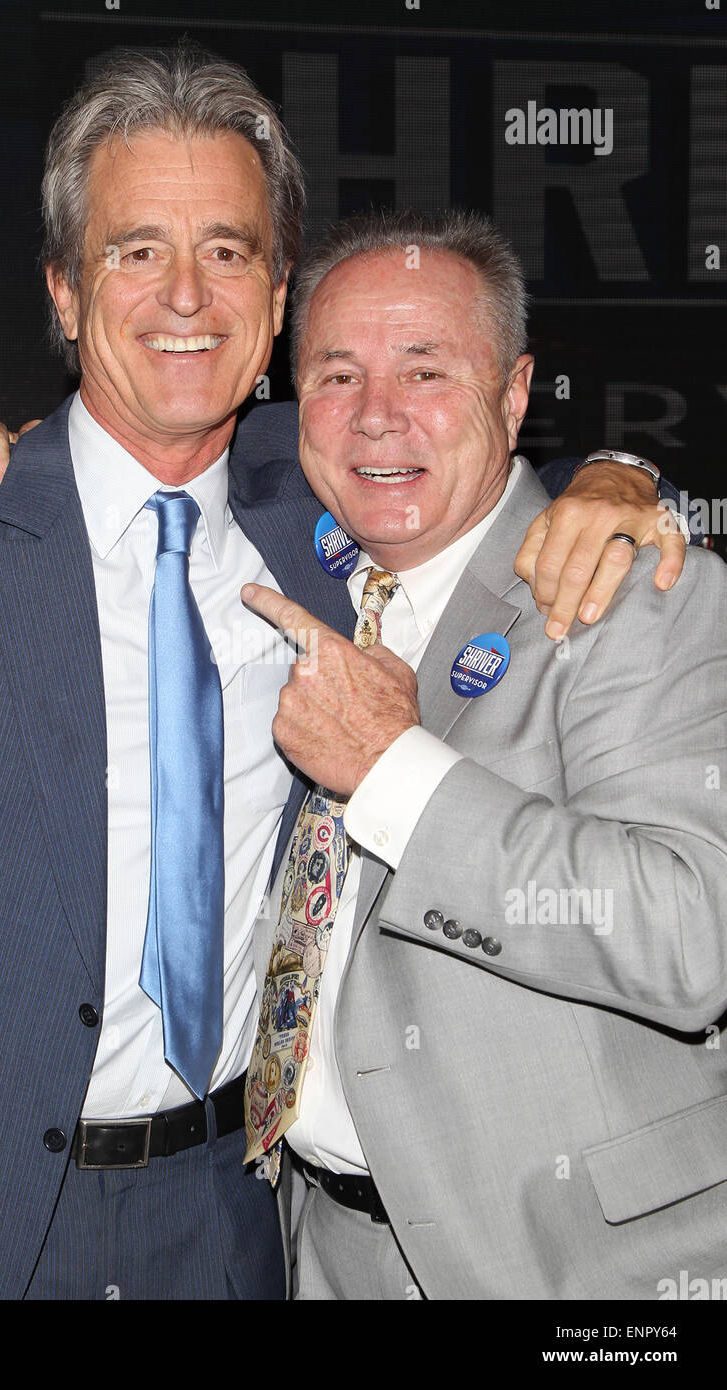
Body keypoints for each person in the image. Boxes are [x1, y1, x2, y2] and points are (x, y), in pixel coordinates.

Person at [0, 45, 686, 1301]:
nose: (184, 298)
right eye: (133, 250)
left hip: (231, 1224)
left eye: (226, 252)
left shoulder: (317, 511)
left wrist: (621, 477)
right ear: (62, 291)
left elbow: (449, 429)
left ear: (275, 302)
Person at [239, 208, 727, 1300]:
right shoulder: (295, 553)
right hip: (323, 1251)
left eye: (425, 371)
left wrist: (394, 770)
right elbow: (149, 421)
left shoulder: (630, 588)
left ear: (512, 394)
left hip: (578, 1268)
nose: (374, 417)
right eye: (333, 374)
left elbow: (692, 936)